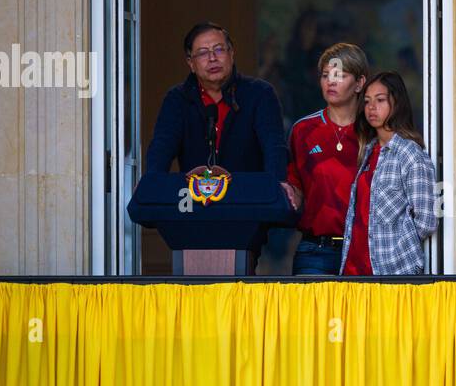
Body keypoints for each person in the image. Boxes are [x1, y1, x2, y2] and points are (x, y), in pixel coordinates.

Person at [143, 23, 293, 209]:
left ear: (231, 53)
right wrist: (151, 187)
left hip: (248, 206)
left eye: (219, 49)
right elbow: (161, 148)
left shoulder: (260, 94)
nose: (212, 58)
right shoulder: (177, 99)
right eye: (203, 53)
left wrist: (277, 187)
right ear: (191, 63)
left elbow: (274, 148)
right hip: (194, 208)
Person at [283, 44, 369, 275]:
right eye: (325, 75)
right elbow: (294, 188)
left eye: (340, 75)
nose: (331, 81)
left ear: (359, 83)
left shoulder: (373, 131)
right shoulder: (303, 130)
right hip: (315, 251)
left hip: (366, 250)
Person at [340, 71, 437, 276]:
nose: (371, 107)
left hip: (392, 273)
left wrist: (398, 251)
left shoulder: (409, 154)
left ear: (397, 103)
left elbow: (427, 220)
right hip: (353, 271)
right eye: (366, 101)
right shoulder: (368, 151)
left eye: (380, 100)